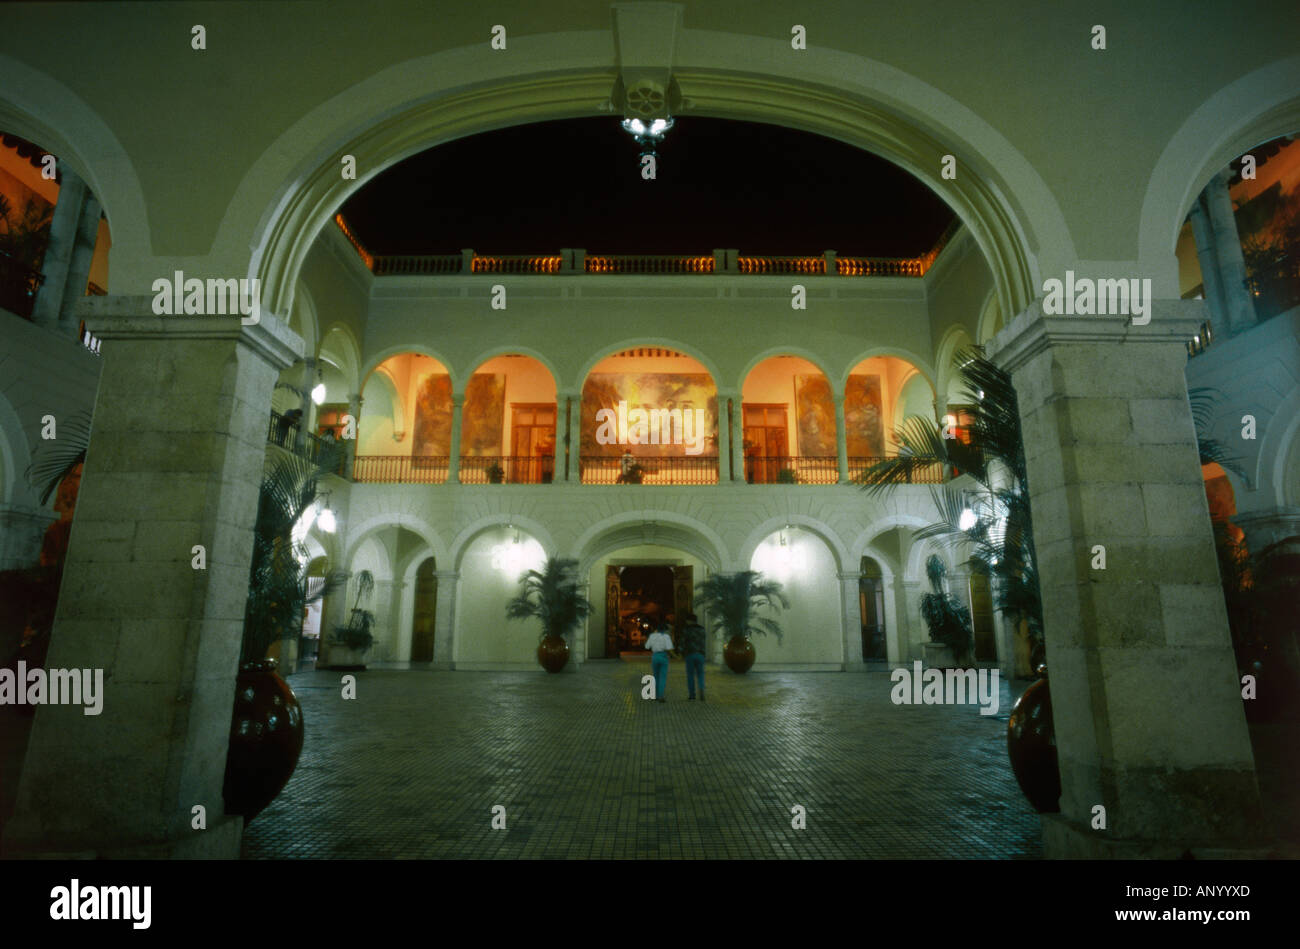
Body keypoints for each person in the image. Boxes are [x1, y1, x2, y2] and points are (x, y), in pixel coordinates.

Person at [644, 620, 674, 702]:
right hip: (663, 656)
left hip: (655, 656)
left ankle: (655, 695)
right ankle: (661, 696)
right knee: (663, 677)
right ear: (665, 630)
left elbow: (647, 646)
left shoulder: (652, 636)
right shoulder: (666, 637)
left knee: (656, 676)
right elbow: (669, 648)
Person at [680, 611, 707, 701]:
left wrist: (680, 652)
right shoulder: (702, 629)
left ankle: (692, 695)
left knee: (690, 675)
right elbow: (703, 641)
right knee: (700, 674)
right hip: (700, 654)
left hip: (690, 654)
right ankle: (701, 689)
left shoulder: (686, 629)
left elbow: (683, 642)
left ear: (689, 621)